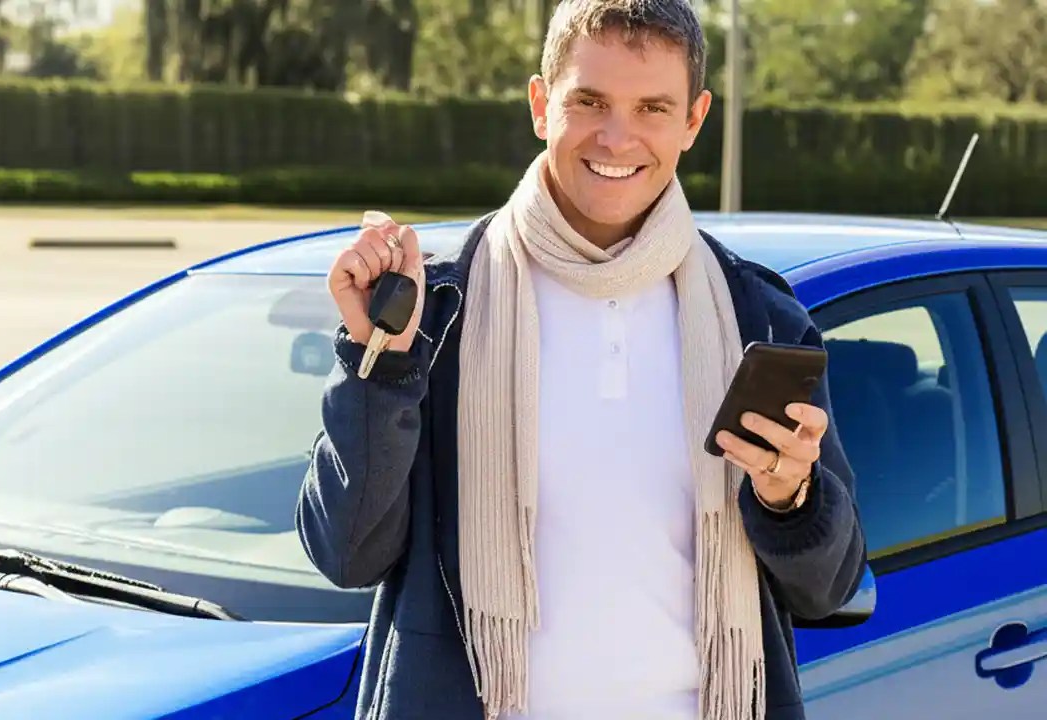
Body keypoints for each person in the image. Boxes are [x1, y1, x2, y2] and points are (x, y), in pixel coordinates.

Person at [295, 1, 868, 718]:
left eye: (653, 107)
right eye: (589, 101)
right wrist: (378, 361)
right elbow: (345, 554)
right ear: (541, 104)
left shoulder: (760, 319)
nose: (617, 136)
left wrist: (791, 498)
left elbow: (832, 585)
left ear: (694, 120)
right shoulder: (438, 312)